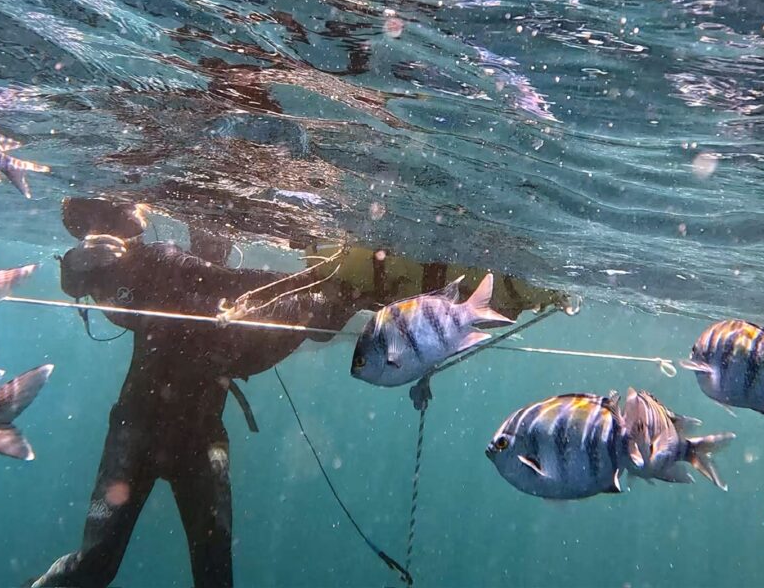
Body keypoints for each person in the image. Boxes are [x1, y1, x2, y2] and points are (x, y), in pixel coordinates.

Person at [31, 197, 568, 588]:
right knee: (98, 567)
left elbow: (289, 324)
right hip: (146, 433)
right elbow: (111, 278)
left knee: (179, 575)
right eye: (218, 231)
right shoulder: (171, 268)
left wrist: (339, 299)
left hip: (192, 438)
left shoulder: (199, 292)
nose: (225, 241)